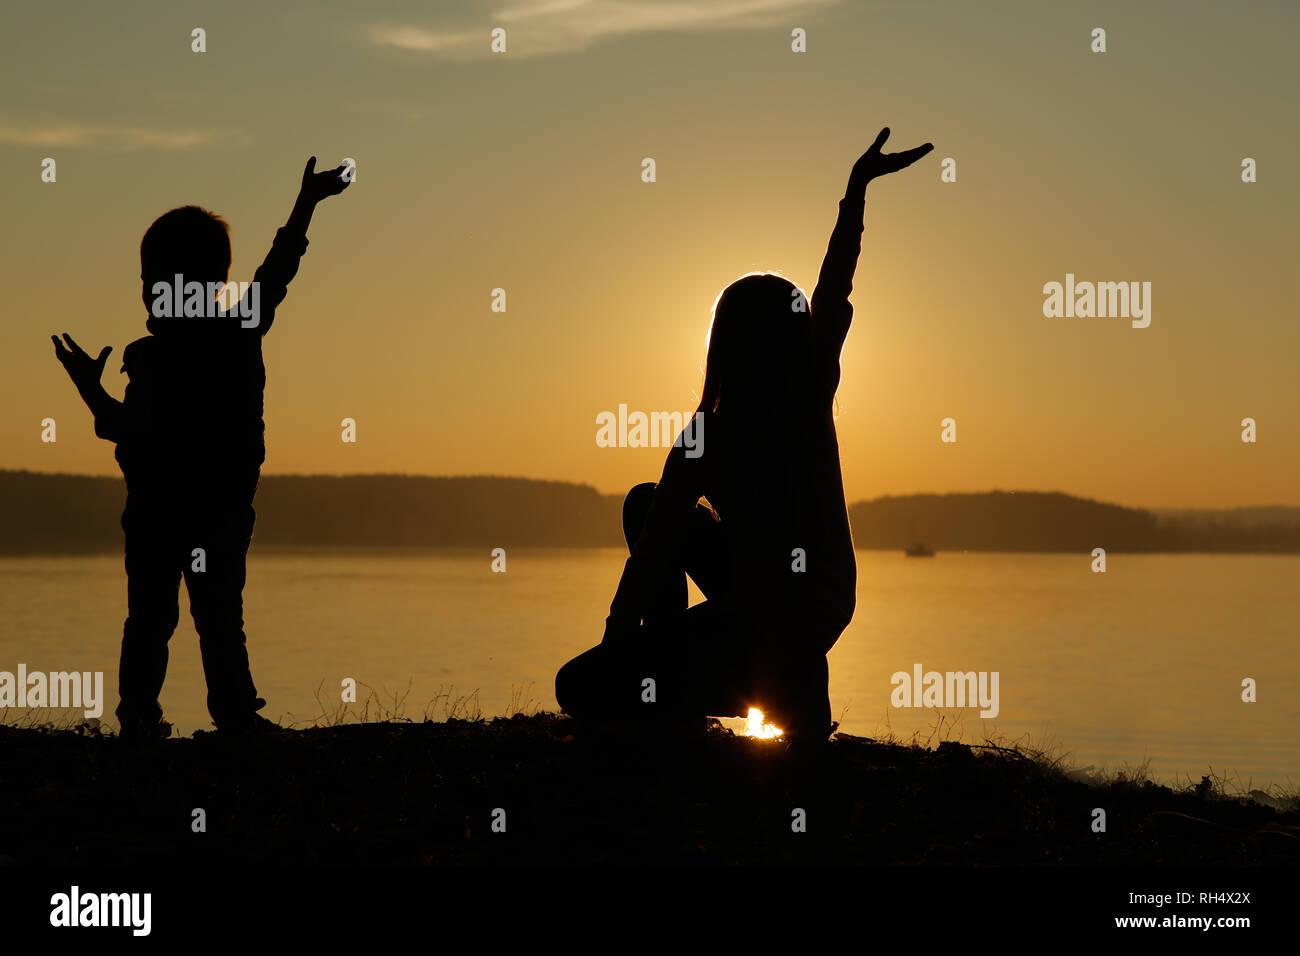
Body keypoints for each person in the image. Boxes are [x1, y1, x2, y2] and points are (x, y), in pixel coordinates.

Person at [556, 128, 933, 741]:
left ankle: (774, 689)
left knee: (584, 685)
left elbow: (833, 290)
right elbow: (653, 548)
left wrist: (854, 197)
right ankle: (764, 690)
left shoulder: (802, 399)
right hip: (772, 602)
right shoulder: (719, 429)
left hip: (806, 604)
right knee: (646, 505)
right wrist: (623, 645)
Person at [52, 157, 351, 738]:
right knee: (180, 617)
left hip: (193, 510)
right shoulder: (165, 354)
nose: (148, 292)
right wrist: (90, 389)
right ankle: (164, 714)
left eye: (158, 281)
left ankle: (197, 713)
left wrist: (305, 207)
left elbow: (277, 270)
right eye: (146, 281)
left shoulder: (232, 331)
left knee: (190, 617)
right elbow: (128, 428)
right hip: (177, 511)